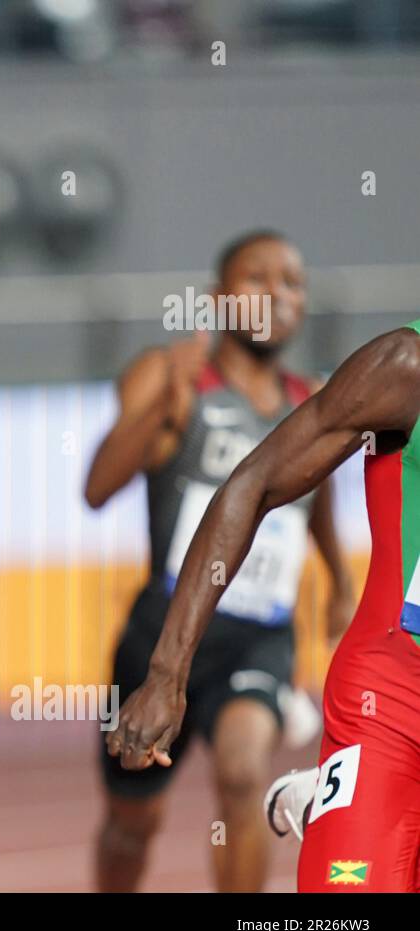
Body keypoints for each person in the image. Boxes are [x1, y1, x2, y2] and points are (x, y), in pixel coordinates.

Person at [107, 321, 420, 892]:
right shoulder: (404, 367)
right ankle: (354, 802)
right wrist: (165, 674)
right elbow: (252, 484)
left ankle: (329, 804)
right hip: (392, 699)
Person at [86, 231, 354, 891]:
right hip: (163, 633)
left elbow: (311, 504)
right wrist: (162, 396)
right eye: (257, 278)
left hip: (260, 633)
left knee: (242, 774)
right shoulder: (175, 376)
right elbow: (97, 488)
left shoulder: (314, 399)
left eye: (291, 282)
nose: (277, 294)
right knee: (131, 821)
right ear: (217, 299)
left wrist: (342, 583)